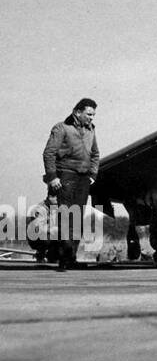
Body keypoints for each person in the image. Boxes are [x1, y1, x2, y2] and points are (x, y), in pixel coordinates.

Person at [41, 98, 100, 271]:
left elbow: (95, 153)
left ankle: (71, 257)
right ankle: (63, 257)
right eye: (89, 114)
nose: (91, 118)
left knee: (77, 218)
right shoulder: (61, 128)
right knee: (66, 216)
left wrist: (93, 174)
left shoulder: (91, 130)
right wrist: (52, 177)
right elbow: (49, 153)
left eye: (93, 115)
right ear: (77, 112)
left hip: (83, 178)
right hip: (65, 176)